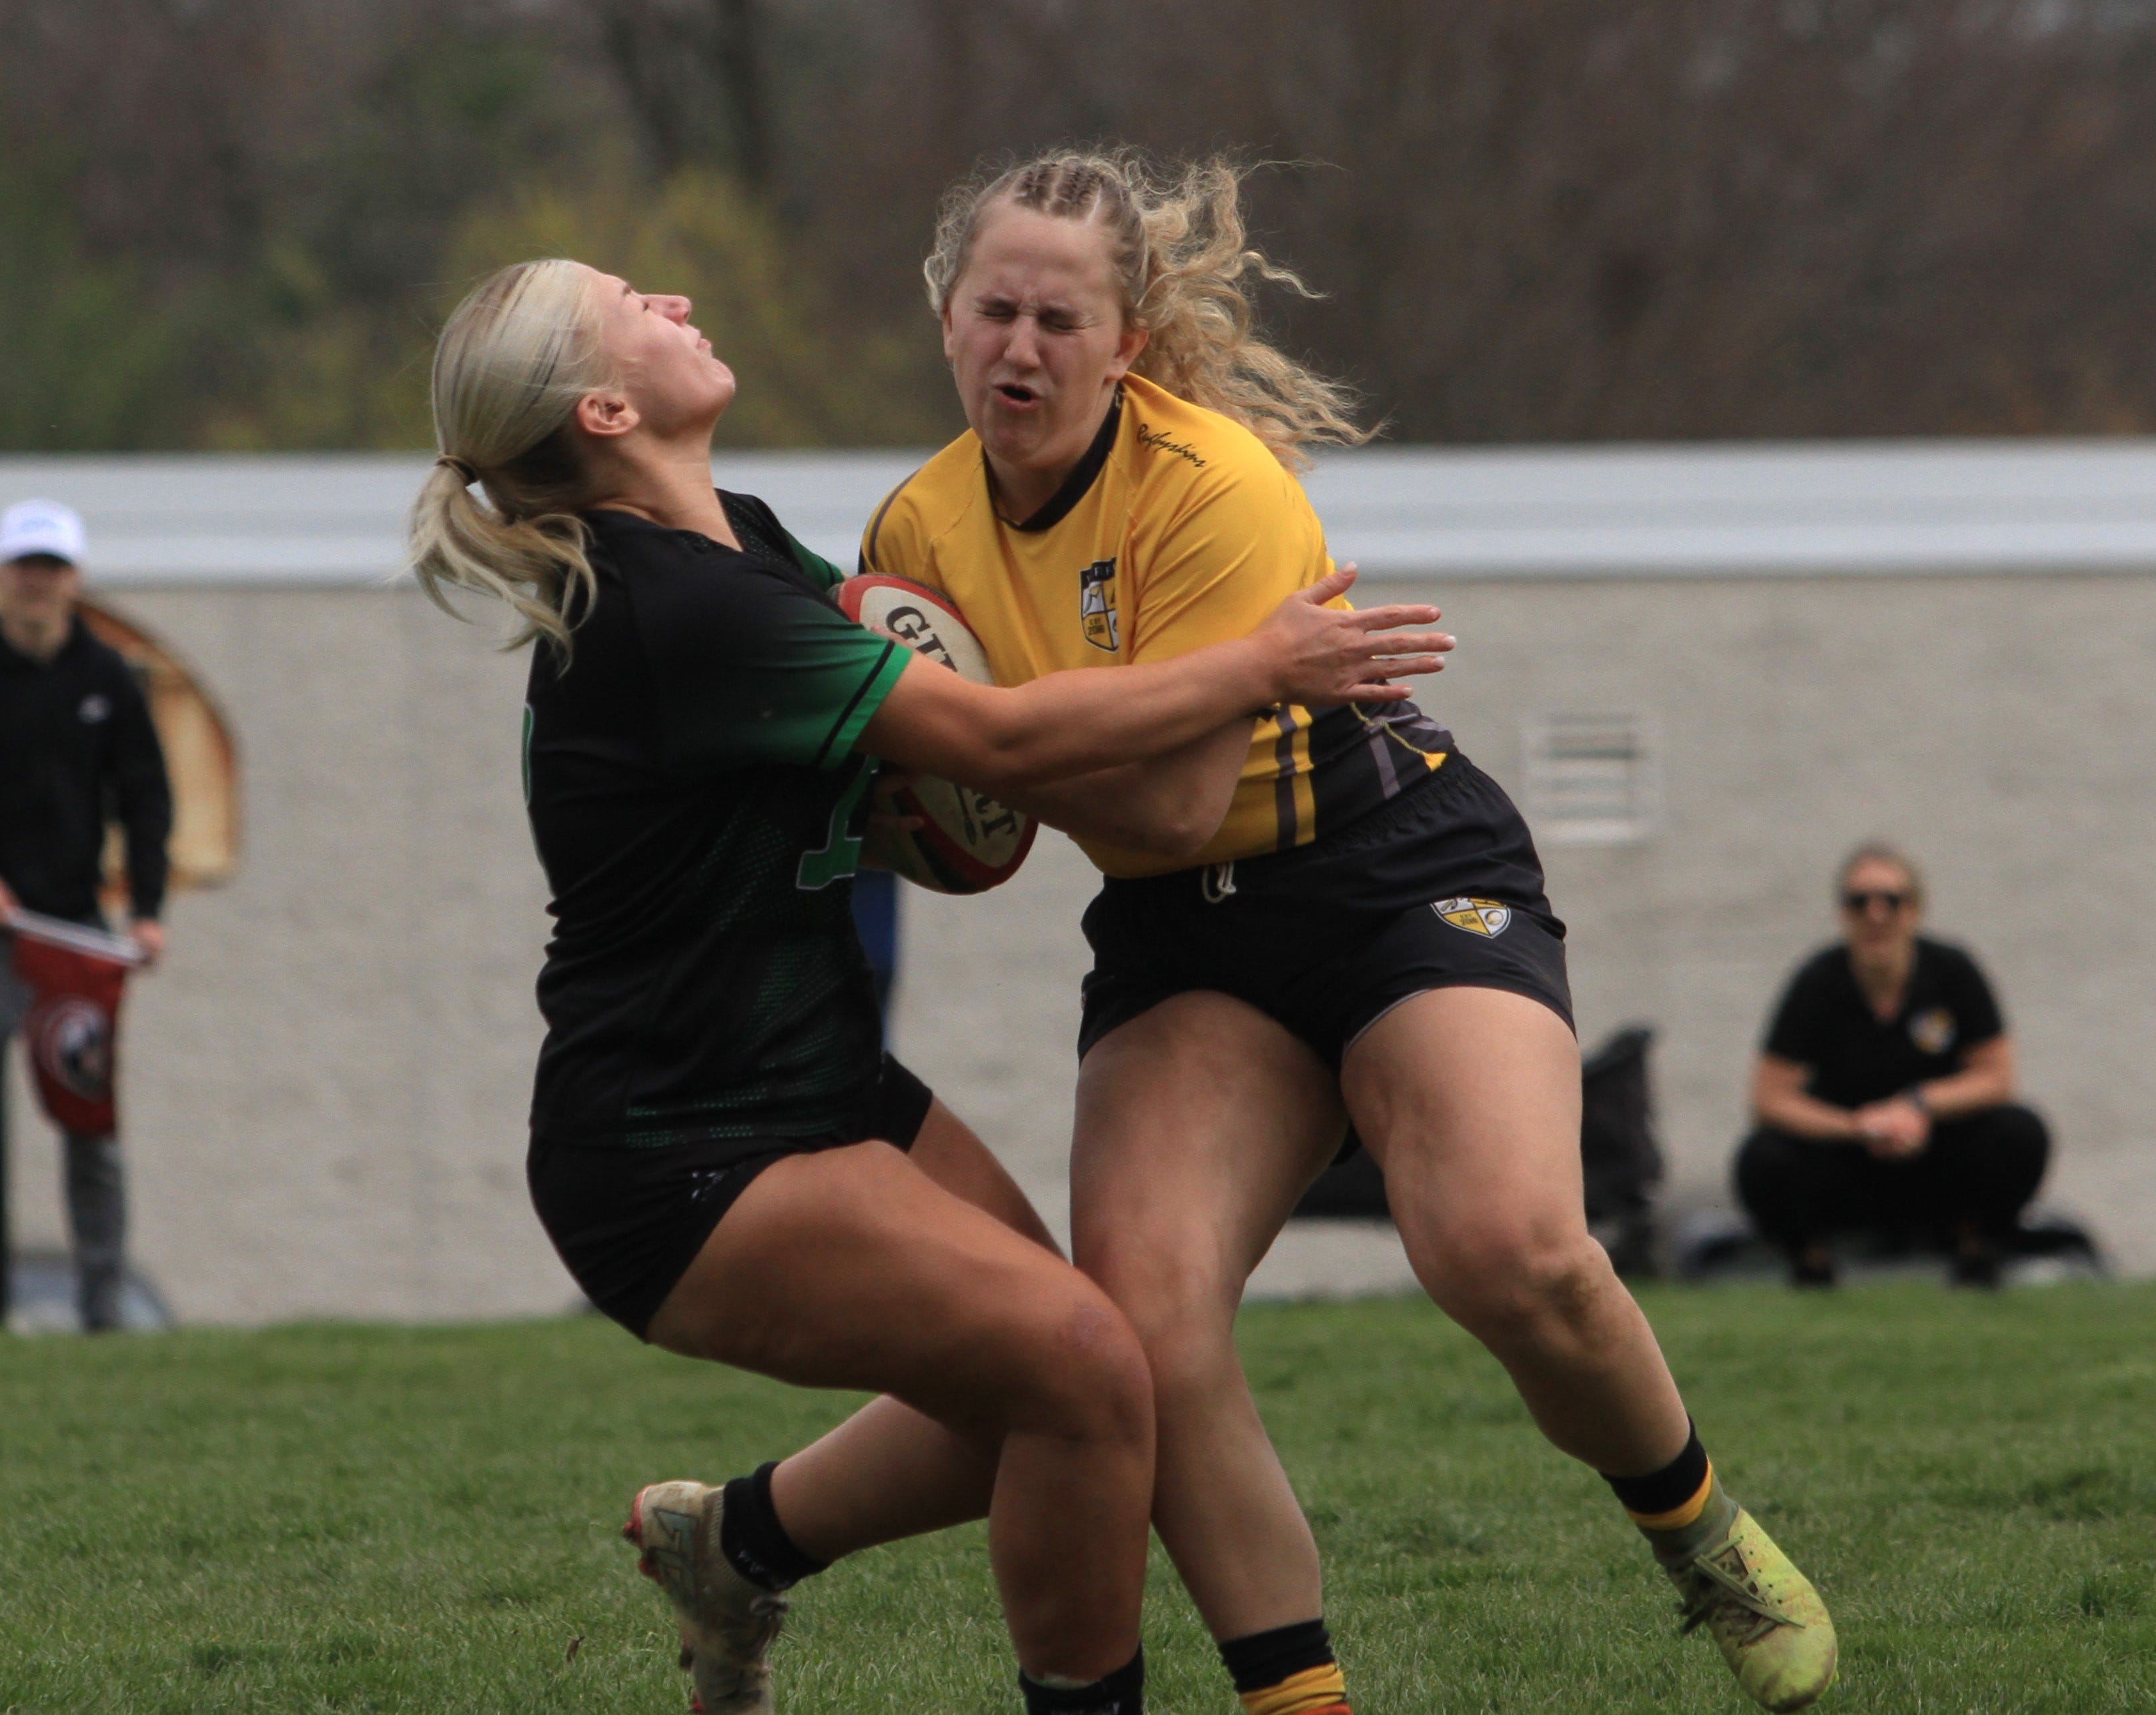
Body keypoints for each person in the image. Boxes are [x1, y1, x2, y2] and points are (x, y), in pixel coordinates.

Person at [691, 151, 1831, 1715]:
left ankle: (1694, 1533)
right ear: (943, 320)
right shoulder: (919, 529)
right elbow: (999, 846)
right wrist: (921, 810)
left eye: (1058, 318)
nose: (1019, 348)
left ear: (1126, 343)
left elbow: (1160, 806)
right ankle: (1302, 1705)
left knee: (1506, 1249)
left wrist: (997, 748)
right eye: (992, 311)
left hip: (1385, 868)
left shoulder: (1213, 484)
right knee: (1139, 1340)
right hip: (1182, 942)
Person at [406, 257, 1450, 1715]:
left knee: (1083, 1383)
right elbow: (1002, 743)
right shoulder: (677, 611)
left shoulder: (738, 549)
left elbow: (913, 784)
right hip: (675, 1152)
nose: (673, 298)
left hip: (821, 1088)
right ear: (604, 402)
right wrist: (1258, 662)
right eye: (629, 301)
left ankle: (733, 1542)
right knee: (1081, 1371)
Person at [0, 500, 171, 1337]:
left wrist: (147, 912)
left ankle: (103, 1310)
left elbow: (146, 801)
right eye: (23, 568)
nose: (36, 584)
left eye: (50, 569)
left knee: (91, 1127)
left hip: (75, 935)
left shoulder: (108, 679)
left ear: (73, 580)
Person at [1736, 842, 2051, 1287]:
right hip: (1848, 1162)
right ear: (1842, 913)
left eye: (1891, 900)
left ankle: (1977, 1251)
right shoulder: (1816, 981)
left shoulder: (1952, 970)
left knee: (2020, 1130)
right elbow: (1768, 1098)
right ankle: (1811, 1262)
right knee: (1762, 1157)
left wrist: (1916, 1106)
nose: (1875, 914)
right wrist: (1856, 1125)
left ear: (1916, 910)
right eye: (1859, 901)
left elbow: (1997, 1077)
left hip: (1935, 1160)